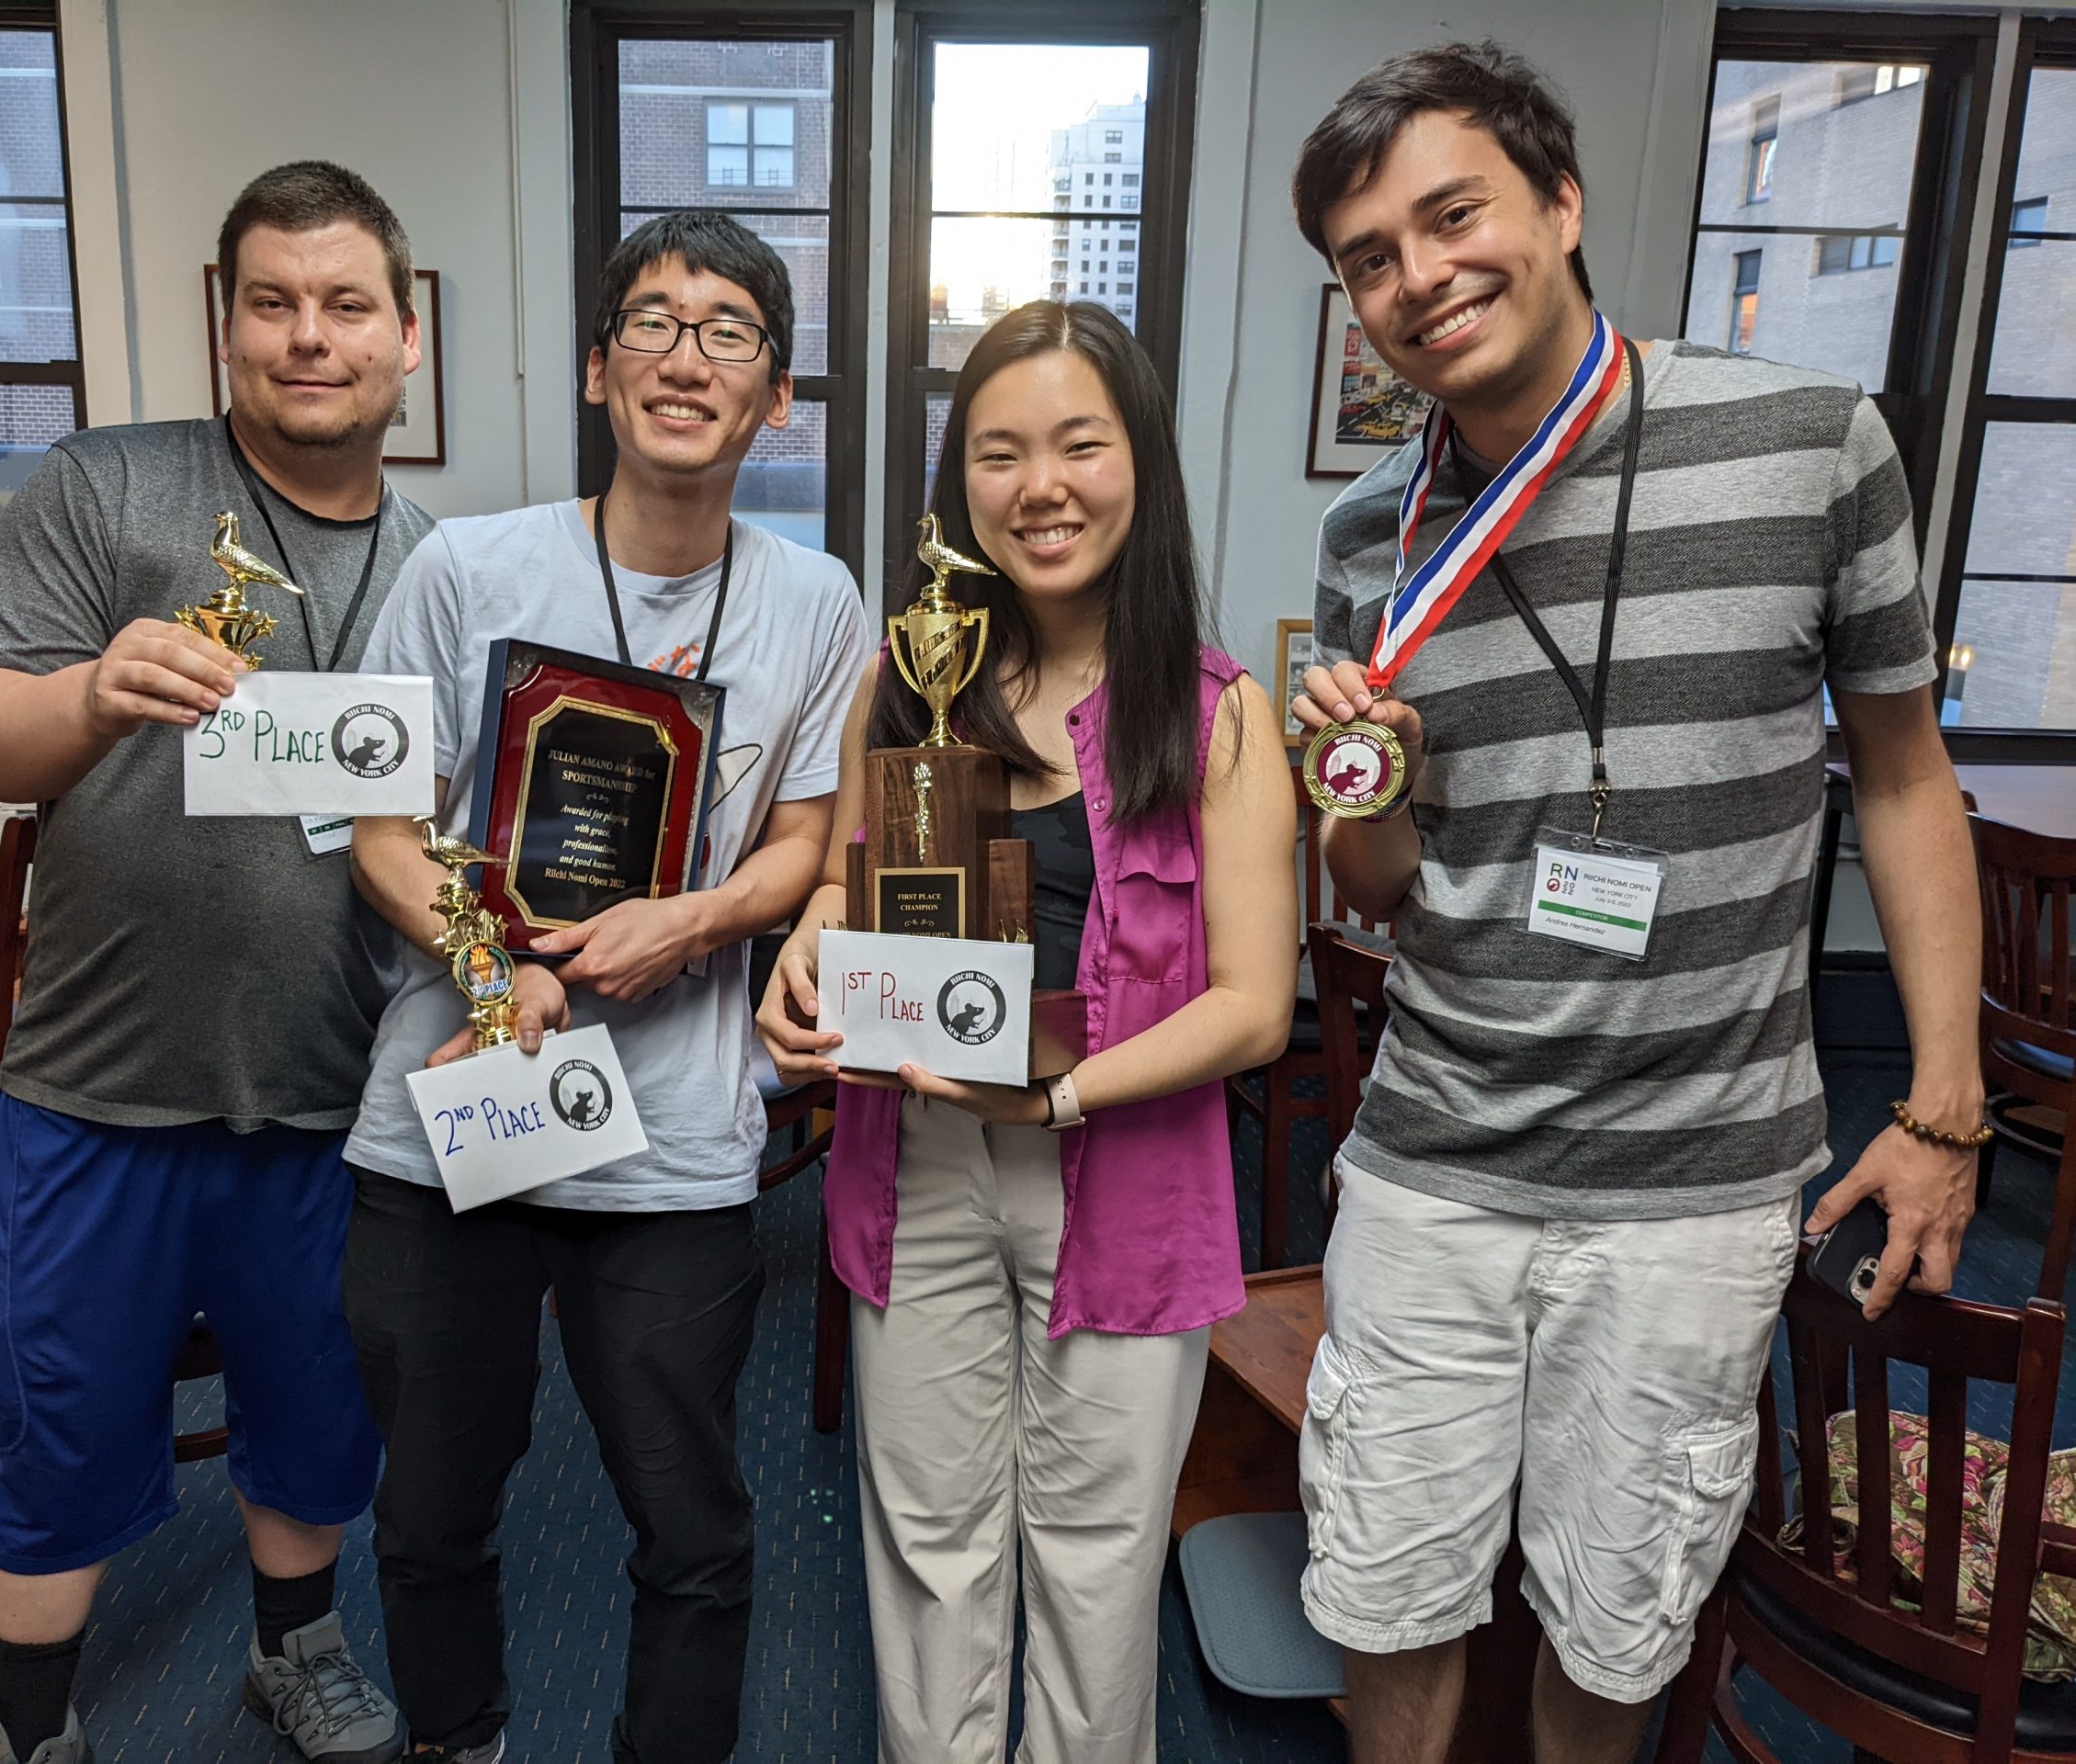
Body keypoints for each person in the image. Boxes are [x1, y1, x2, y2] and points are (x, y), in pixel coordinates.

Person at [1285, 43, 1983, 1764]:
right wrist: (1347, 787)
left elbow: (1902, 777)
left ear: (1562, 200)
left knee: (1618, 1623)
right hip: (1436, 1163)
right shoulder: (1381, 538)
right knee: (1390, 1604)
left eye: (1452, 215)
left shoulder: (1811, 445)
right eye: (1369, 257)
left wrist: (1947, 1105)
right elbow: (1372, 890)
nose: (1416, 278)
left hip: (1695, 1188)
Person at [339, 209, 871, 1764]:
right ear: (597, 368)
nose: (683, 355)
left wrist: (690, 924)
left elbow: (799, 847)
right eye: (651, 322)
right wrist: (492, 956)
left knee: (689, 1524)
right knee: (429, 1503)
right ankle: (458, 1737)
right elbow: (378, 830)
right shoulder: (466, 568)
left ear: (776, 397)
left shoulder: (816, 602)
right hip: (458, 1112)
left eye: (727, 332)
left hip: (673, 1142)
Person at [0, 161, 432, 1764]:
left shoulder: (445, 564)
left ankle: (296, 1651)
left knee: (315, 1406)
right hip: (101, 1085)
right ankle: (30, 1729)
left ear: (404, 337)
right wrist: (89, 692)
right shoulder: (109, 488)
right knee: (59, 1415)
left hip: (325, 1092)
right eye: (271, 303)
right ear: (224, 323)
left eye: (345, 305)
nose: (310, 337)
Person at [756, 300, 1299, 1763]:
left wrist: (1055, 1104)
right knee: (930, 1546)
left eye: (1080, 445)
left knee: (1095, 1562)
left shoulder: (1219, 717)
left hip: (1117, 1173)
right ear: (961, 481)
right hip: (915, 1156)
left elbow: (1259, 1007)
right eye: (999, 454)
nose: (1039, 486)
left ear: (1142, 464)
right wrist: (804, 957)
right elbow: (843, 881)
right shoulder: (915, 673)